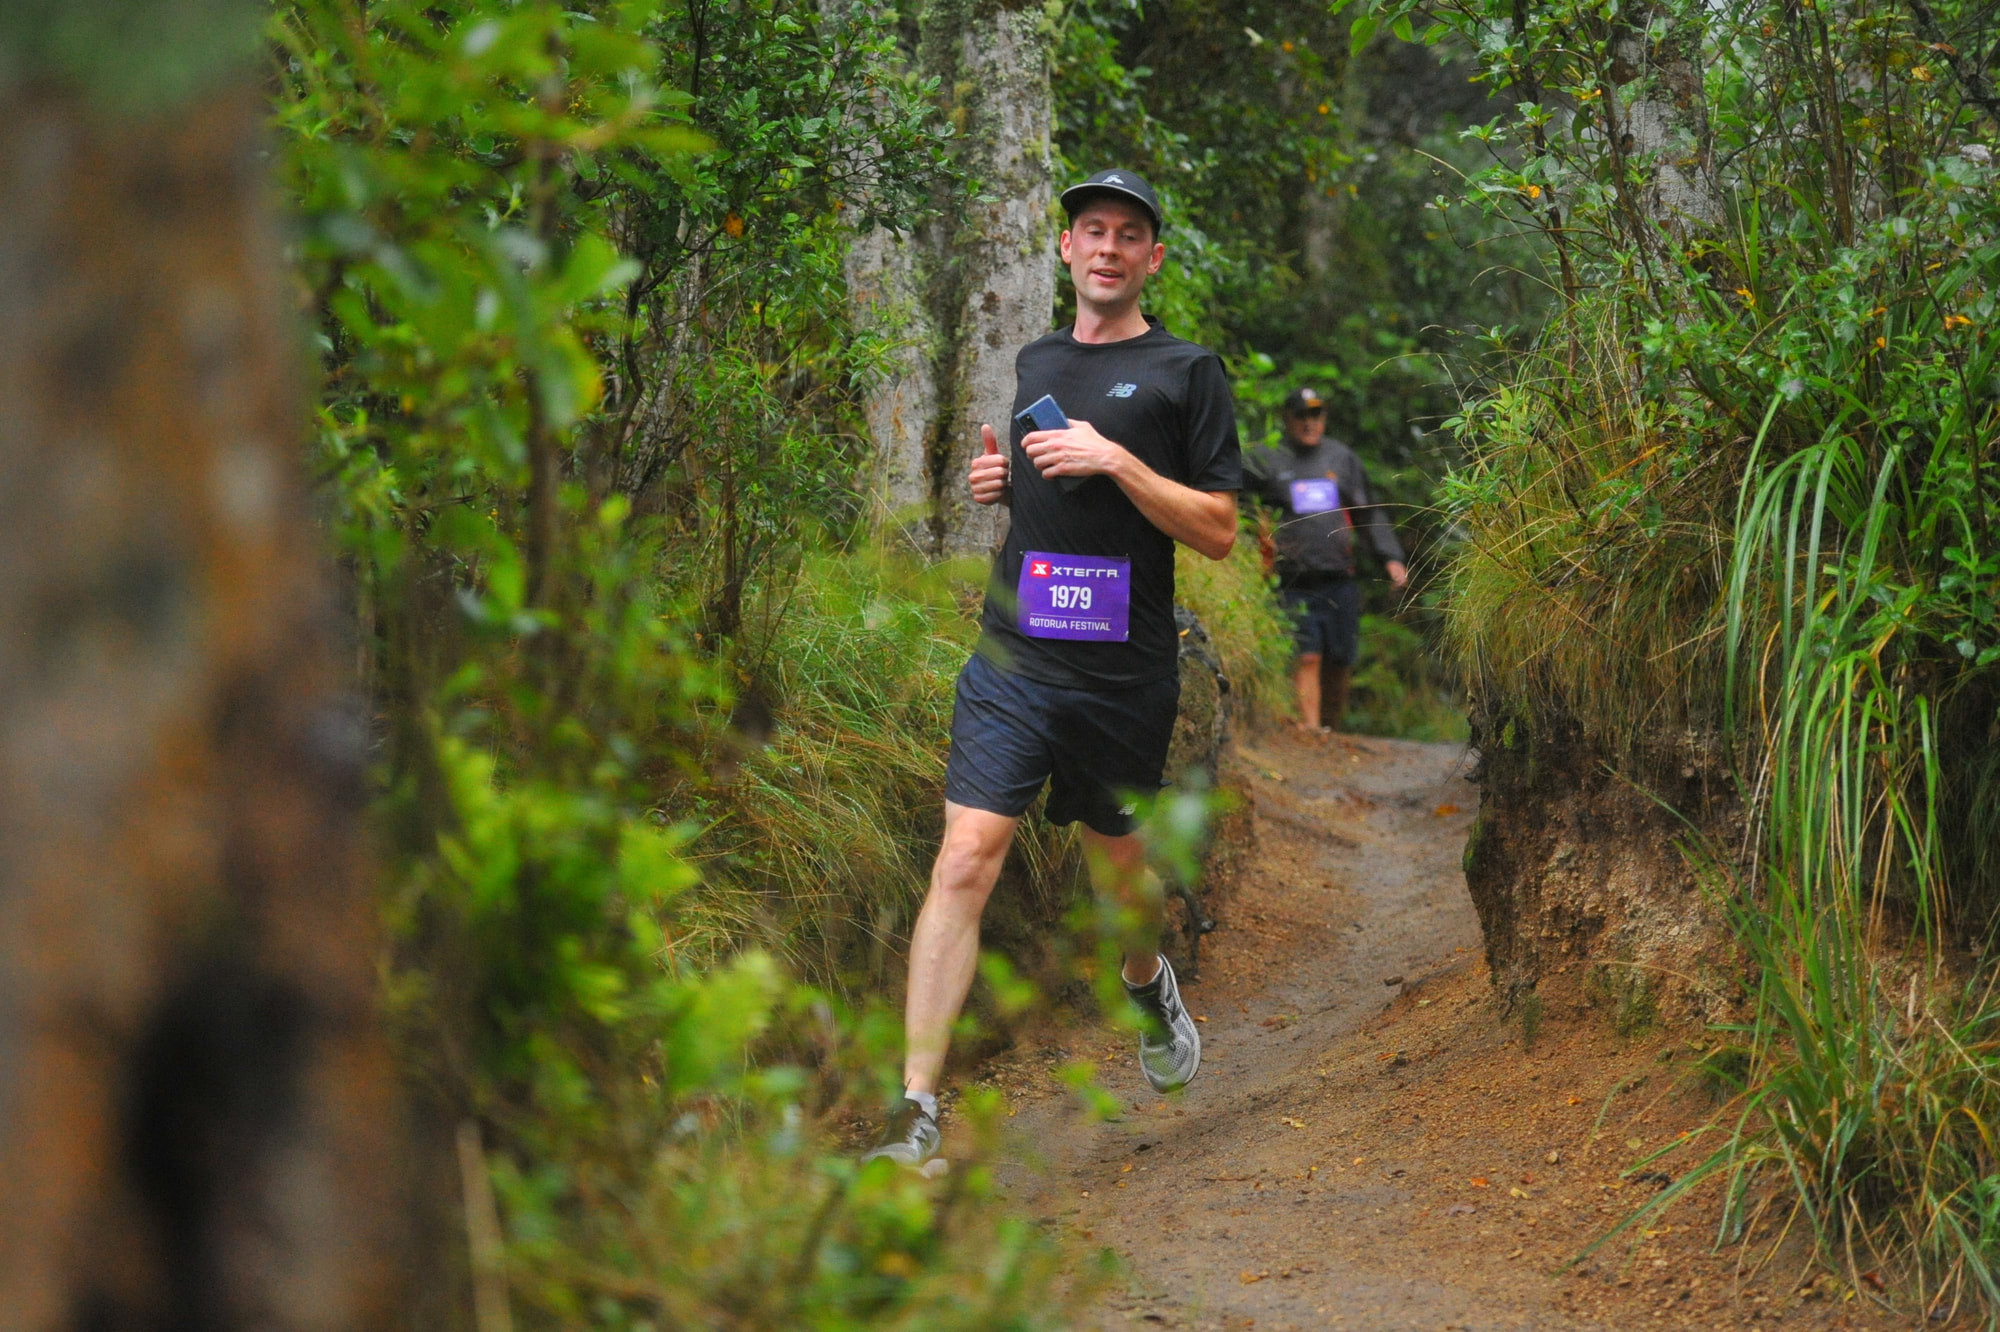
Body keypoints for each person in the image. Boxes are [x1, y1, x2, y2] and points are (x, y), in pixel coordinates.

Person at [863, 169, 1243, 1168]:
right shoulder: (1035, 357)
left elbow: (1216, 531)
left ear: (1151, 259)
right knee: (963, 858)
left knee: (1117, 878)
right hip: (1013, 658)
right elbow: (1050, 502)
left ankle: (1145, 980)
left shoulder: (1186, 371)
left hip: (1121, 679)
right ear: (1064, 249)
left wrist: (1114, 459)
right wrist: (1002, 488)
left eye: (1127, 235)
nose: (1107, 247)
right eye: (1090, 231)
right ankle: (914, 1110)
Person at [1244, 387, 1407, 733]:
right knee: (1306, 656)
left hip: (1339, 579)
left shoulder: (1341, 459)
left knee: (1339, 660)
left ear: (1324, 418)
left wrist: (1390, 558)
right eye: (1301, 415)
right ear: (1287, 418)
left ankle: (1330, 730)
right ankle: (1312, 731)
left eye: (1315, 415)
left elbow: (1367, 512)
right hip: (1291, 580)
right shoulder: (1266, 458)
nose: (1308, 422)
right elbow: (1240, 507)